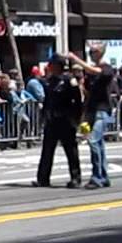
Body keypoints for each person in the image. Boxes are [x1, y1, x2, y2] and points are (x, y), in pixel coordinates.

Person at [68, 44, 116, 189]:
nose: (91, 53)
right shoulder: (89, 75)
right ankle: (103, 175)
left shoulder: (107, 68)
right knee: (98, 143)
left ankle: (97, 177)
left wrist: (76, 59)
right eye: (90, 51)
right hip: (90, 110)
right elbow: (88, 92)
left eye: (93, 51)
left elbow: (95, 71)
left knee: (93, 141)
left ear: (100, 52)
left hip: (101, 111)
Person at [34, 54, 83, 189]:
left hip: (66, 120)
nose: (50, 67)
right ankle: (43, 178)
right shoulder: (50, 81)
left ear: (58, 66)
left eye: (52, 64)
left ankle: (75, 178)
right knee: (47, 150)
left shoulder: (69, 80)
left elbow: (77, 101)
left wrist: (76, 120)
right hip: (52, 120)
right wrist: (44, 116)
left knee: (71, 151)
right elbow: (48, 101)